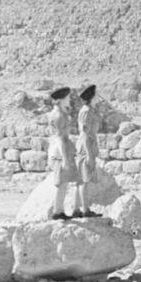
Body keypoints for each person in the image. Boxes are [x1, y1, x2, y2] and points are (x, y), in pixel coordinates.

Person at [46, 87, 79, 221]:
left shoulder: (60, 113)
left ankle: (59, 210)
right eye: (67, 98)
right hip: (59, 152)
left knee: (64, 182)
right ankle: (57, 211)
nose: (70, 100)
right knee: (61, 182)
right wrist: (65, 158)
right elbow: (60, 138)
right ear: (60, 100)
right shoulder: (58, 116)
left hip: (62, 149)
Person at [74, 83, 101, 217]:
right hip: (86, 147)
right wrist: (90, 155)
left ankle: (78, 209)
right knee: (84, 180)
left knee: (82, 180)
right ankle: (85, 210)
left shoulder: (89, 110)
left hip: (88, 146)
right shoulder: (86, 111)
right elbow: (84, 134)